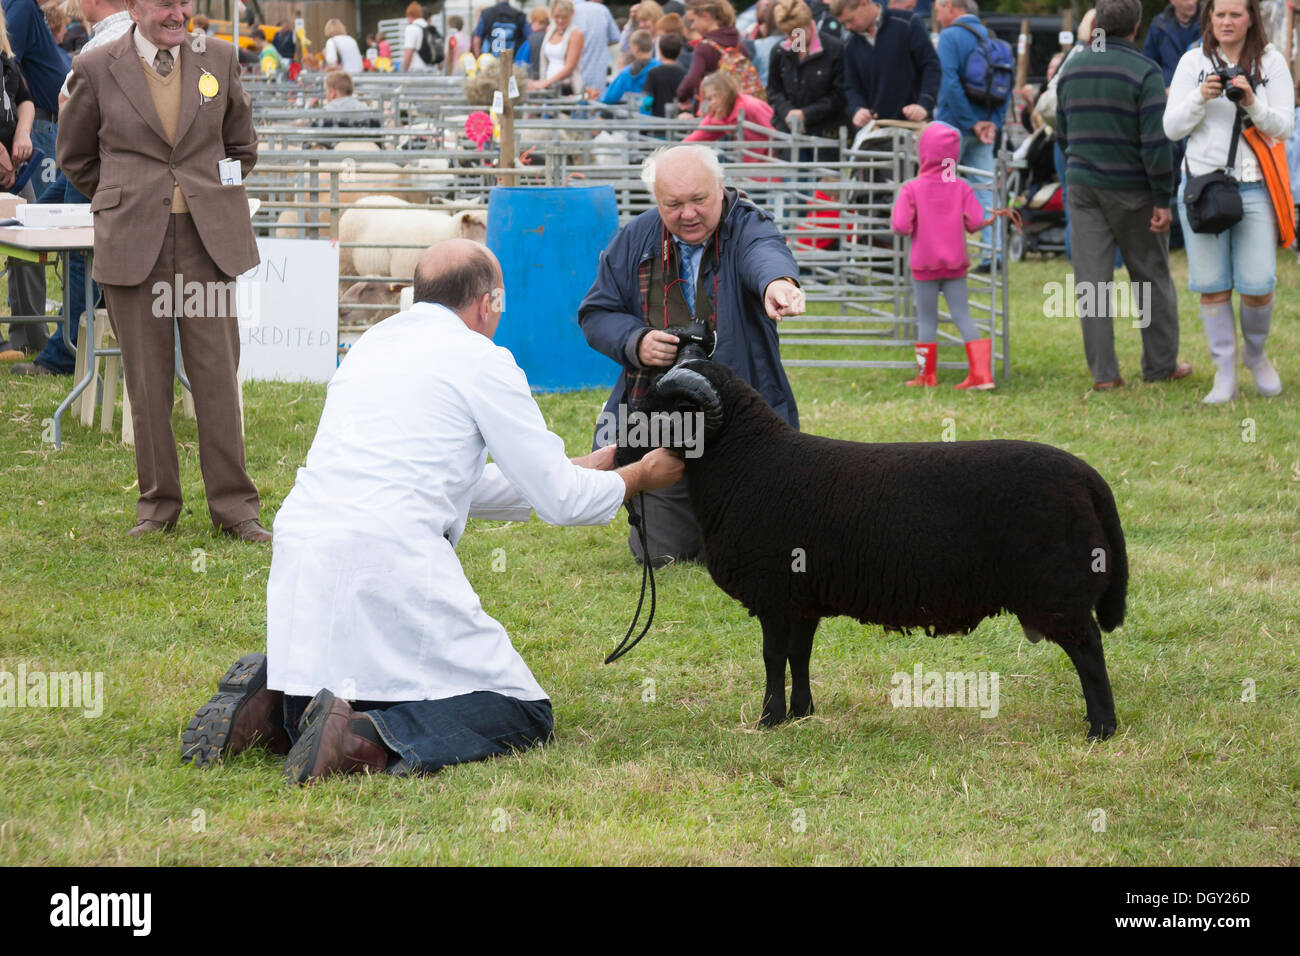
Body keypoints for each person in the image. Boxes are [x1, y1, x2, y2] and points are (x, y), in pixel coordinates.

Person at [181, 240, 686, 783]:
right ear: (488, 302)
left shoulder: (372, 345)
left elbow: (443, 479)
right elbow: (562, 502)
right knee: (522, 710)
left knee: (360, 677)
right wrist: (639, 477)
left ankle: (279, 705)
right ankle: (361, 741)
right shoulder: (483, 360)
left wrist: (577, 468)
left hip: (306, 548)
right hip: (388, 554)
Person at [58, 0, 272, 541]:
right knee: (146, 381)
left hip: (208, 244)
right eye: (164, 5)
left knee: (217, 377)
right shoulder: (96, 66)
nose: (178, 14)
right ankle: (158, 507)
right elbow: (76, 156)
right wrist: (126, 198)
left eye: (185, 3)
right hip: (135, 245)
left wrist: (207, 193)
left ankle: (236, 510)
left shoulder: (219, 58)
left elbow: (241, 146)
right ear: (134, 8)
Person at [579, 144, 804, 566]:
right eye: (674, 204)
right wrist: (636, 341)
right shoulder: (634, 239)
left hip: (745, 425)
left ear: (719, 188)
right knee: (663, 554)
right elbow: (597, 312)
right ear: (656, 201)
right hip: (661, 423)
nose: (688, 213)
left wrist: (777, 283)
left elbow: (765, 255)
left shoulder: (748, 226)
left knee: (751, 551)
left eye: (699, 200)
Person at [1057, 0, 1192, 391]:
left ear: (1097, 24)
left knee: (1093, 284)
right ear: (1136, 27)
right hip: (1134, 190)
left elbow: (1062, 132)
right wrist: (1163, 199)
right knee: (1150, 278)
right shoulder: (1145, 71)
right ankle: (1160, 364)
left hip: (1083, 187)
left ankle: (1105, 375)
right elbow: (1156, 143)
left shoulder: (1073, 68)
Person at [1164, 0, 1292, 402]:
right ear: (1209, 18)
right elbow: (1171, 128)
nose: (1226, 21)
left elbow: (1284, 126)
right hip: (1204, 186)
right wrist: (1200, 97)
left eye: (1235, 14)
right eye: (1219, 14)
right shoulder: (1192, 62)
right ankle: (1224, 372)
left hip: (1254, 185)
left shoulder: (1271, 63)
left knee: (1258, 283)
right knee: (1212, 285)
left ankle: (1256, 355)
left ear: (1251, 17)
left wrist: (1252, 101)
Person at [11, 0, 129, 379]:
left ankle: (66, 353)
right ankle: (66, 341)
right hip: (91, 160)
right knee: (35, 227)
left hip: (92, 160)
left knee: (77, 252)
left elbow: (68, 99)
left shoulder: (104, 41)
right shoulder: (114, 36)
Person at [891, 121, 994, 389]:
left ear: (923, 152)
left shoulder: (912, 188)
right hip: (956, 264)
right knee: (963, 315)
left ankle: (927, 375)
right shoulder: (961, 186)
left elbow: (901, 226)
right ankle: (982, 375)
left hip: (924, 264)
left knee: (927, 319)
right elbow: (974, 222)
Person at [0, 0, 68, 361]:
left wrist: (20, 138)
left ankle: (30, 336)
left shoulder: (7, 55)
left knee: (27, 236)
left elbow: (24, 98)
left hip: (15, 159)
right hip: (8, 156)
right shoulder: (21, 6)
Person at [934, 0, 1004, 272]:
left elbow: (948, 82)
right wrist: (990, 123)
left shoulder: (949, 37)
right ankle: (992, 254)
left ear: (951, 6)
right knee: (985, 189)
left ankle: (944, 254)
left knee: (942, 190)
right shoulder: (990, 37)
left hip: (952, 129)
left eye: (939, 9)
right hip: (984, 130)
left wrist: (969, 122)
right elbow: (1004, 84)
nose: (938, 15)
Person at [841, 0, 938, 125]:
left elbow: (931, 65)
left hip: (914, 125)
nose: (847, 26)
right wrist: (857, 109)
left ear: (863, 4)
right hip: (874, 130)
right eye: (843, 23)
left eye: (850, 19)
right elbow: (851, 86)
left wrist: (924, 104)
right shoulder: (850, 43)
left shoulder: (907, 23)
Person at [766, 0, 844, 151]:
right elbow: (773, 91)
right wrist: (788, 112)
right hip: (788, 134)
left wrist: (806, 114)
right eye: (789, 34)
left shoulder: (835, 50)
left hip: (825, 137)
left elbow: (839, 94)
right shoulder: (779, 52)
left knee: (825, 175)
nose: (795, 40)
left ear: (809, 23)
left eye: (798, 33)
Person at [675, 0, 752, 112]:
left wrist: (682, 97)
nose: (692, 26)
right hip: (739, 108)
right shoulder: (737, 42)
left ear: (705, 16)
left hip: (714, 111)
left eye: (693, 21)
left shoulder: (705, 46)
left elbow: (692, 80)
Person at [527, 0, 582, 93]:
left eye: (564, 17)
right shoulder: (550, 30)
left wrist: (545, 83)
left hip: (566, 87)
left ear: (571, 14)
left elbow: (569, 67)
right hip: (549, 85)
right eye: (557, 17)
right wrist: (541, 81)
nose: (560, 20)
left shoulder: (576, 34)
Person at [572, 0, 619, 95]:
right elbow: (615, 37)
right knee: (595, 106)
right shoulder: (602, 10)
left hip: (572, 75)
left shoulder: (570, 8)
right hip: (596, 75)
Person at [602, 27, 657, 103]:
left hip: (638, 111)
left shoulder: (629, 71)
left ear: (635, 48)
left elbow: (609, 97)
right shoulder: (660, 66)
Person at [641, 28, 686, 114]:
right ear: (680, 52)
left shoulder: (653, 73)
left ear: (660, 51)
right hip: (678, 122)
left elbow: (647, 101)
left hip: (658, 122)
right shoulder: (684, 73)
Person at [400, 1, 431, 71]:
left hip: (417, 70)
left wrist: (404, 71)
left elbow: (409, 53)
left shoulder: (411, 28)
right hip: (431, 69)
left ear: (410, 15)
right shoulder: (427, 27)